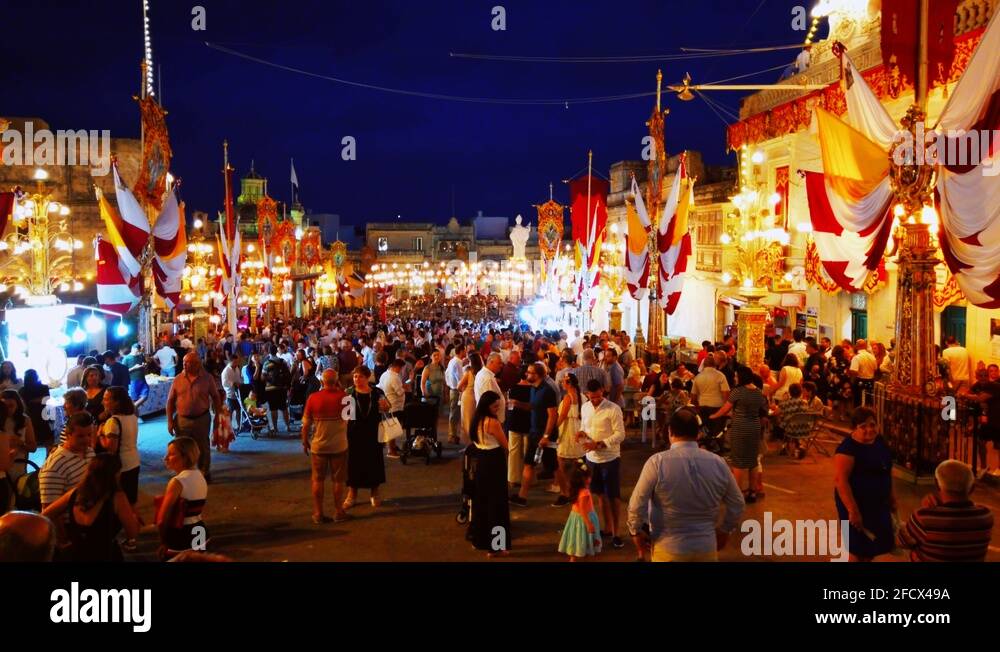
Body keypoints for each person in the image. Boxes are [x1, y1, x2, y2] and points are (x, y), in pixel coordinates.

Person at [628, 407, 745, 562]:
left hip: (668, 548)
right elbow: (737, 503)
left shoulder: (656, 463)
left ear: (669, 432)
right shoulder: (718, 462)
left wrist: (635, 531)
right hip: (706, 547)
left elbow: (637, 504)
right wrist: (725, 530)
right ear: (698, 434)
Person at [42, 454, 140, 562]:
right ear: (115, 475)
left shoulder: (74, 494)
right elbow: (132, 533)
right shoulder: (117, 498)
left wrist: (60, 539)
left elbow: (46, 515)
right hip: (105, 555)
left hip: (76, 555)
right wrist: (134, 519)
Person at [897, 460, 994, 562]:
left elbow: (900, 542)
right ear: (972, 488)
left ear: (937, 485)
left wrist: (929, 510)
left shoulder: (924, 518)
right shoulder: (985, 516)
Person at [834, 407, 897, 562]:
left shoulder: (880, 441)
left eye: (872, 424)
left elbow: (886, 470)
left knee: (870, 548)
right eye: (863, 426)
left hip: (878, 503)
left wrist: (891, 495)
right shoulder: (847, 450)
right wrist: (853, 511)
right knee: (858, 548)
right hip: (856, 504)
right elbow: (841, 481)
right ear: (855, 428)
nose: (869, 429)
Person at [578, 379, 627, 548]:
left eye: (598, 396)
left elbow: (620, 435)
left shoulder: (613, 409)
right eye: (592, 398)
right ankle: (606, 528)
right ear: (587, 395)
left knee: (613, 496)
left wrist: (598, 444)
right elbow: (585, 427)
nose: (596, 400)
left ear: (603, 392)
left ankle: (616, 532)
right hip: (591, 459)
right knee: (599, 494)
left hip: (610, 458)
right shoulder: (585, 407)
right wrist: (581, 434)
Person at [709, 366, 769, 503]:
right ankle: (752, 491)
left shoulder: (738, 391)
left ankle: (738, 493)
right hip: (754, 428)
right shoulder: (759, 392)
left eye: (736, 376)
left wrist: (713, 416)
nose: (735, 378)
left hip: (740, 428)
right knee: (752, 460)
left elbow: (725, 408)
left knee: (738, 461)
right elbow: (761, 410)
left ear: (742, 377)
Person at [302, 369, 350, 524]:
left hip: (319, 445)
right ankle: (338, 511)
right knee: (338, 480)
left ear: (322, 382)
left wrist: (304, 441)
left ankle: (318, 513)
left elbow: (306, 424)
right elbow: (350, 422)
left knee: (317, 479)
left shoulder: (313, 398)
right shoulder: (346, 398)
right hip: (339, 445)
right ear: (337, 381)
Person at [166, 352, 223, 481]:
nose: (184, 365)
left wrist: (218, 415)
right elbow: (170, 401)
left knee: (202, 447)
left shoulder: (207, 378)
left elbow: (215, 396)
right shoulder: (178, 379)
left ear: (197, 364)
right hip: (182, 420)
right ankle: (183, 474)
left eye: (188, 363)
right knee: (181, 448)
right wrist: (169, 420)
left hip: (201, 419)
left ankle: (204, 473)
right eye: (184, 362)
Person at [467, 391, 511, 557]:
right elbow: (505, 445)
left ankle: (479, 540)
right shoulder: (492, 422)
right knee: (497, 505)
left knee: (481, 502)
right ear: (487, 405)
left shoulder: (476, 420)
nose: (497, 408)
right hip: (494, 461)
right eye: (495, 406)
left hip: (481, 460)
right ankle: (496, 546)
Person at [509, 363, 558, 507]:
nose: (527, 374)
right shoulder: (533, 389)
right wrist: (517, 403)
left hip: (544, 435)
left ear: (538, 375)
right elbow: (532, 407)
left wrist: (547, 436)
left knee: (554, 466)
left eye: (530, 372)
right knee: (529, 463)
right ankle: (522, 497)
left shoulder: (547, 391)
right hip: (534, 432)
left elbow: (552, 415)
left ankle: (567, 493)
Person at [343, 366, 390, 511]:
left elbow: (387, 408)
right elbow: (345, 418)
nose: (357, 379)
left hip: (373, 432)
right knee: (353, 463)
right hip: (354, 433)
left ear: (368, 377)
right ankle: (352, 494)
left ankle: (375, 493)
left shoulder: (377, 392)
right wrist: (343, 436)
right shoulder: (349, 393)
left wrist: (385, 406)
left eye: (361, 376)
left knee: (374, 462)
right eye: (355, 376)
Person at [157, 437, 208, 557]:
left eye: (171, 454)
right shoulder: (200, 475)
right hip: (200, 531)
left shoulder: (177, 482)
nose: (165, 458)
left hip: (182, 535)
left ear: (185, 457)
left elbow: (162, 520)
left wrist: (164, 541)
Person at [39, 412, 96, 514]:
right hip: (70, 524)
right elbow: (49, 511)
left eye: (89, 434)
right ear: (67, 435)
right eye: (80, 436)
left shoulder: (89, 451)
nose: (87, 439)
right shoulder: (55, 466)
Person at [97, 387, 141, 509]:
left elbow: (111, 448)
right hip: (134, 461)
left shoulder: (113, 421)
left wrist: (100, 435)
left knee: (121, 502)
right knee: (132, 500)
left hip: (122, 465)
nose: (102, 402)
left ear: (116, 402)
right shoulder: (132, 416)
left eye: (106, 399)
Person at [557, 462, 602, 561]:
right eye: (589, 477)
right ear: (584, 479)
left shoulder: (574, 489)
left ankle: (574, 557)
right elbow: (582, 509)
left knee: (576, 538)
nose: (591, 478)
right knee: (583, 538)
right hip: (584, 519)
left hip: (575, 518)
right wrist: (588, 523)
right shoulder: (584, 493)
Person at [553, 372, 584, 507]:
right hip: (577, 428)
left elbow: (562, 417)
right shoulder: (582, 396)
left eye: (563, 382)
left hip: (568, 431)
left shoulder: (568, 397)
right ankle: (578, 490)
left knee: (561, 461)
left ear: (569, 383)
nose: (561, 384)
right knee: (577, 462)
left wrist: (553, 430)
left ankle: (565, 491)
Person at [691, 356, 730, 438]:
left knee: (705, 429)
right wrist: (725, 407)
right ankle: (717, 446)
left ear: (704, 365)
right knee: (718, 431)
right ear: (715, 364)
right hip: (717, 407)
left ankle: (706, 444)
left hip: (702, 406)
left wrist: (697, 406)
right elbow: (726, 393)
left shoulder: (698, 377)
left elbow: (693, 397)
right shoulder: (720, 376)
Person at [377, 359, 407, 458]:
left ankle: (393, 446)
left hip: (387, 404)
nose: (401, 370)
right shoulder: (394, 377)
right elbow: (400, 392)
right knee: (392, 429)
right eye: (401, 368)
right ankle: (391, 451)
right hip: (394, 405)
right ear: (397, 367)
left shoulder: (384, 374)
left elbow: (380, 388)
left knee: (391, 427)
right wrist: (405, 387)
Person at [261, 346, 293, 434]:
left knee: (273, 408)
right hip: (282, 388)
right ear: (276, 351)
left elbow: (263, 377)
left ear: (269, 352)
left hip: (271, 389)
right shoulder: (283, 361)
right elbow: (288, 374)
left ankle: (275, 428)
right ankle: (287, 426)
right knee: (284, 408)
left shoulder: (266, 363)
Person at [457, 352, 482, 445]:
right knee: (475, 421)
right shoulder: (480, 372)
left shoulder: (469, 373)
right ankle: (475, 443)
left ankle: (469, 445)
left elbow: (458, 386)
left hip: (468, 397)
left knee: (467, 421)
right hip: (477, 397)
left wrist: (463, 389)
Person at [445, 344, 466, 445]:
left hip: (452, 389)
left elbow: (447, 374)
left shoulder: (452, 360)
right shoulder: (458, 361)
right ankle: (451, 435)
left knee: (454, 413)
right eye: (464, 351)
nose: (465, 353)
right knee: (454, 413)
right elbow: (460, 377)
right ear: (461, 351)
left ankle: (453, 434)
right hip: (456, 390)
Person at [122, 344, 149, 416]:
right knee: (134, 399)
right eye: (137, 351)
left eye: (139, 351)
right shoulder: (126, 358)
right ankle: (135, 416)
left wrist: (145, 365)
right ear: (132, 349)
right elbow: (123, 371)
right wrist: (134, 368)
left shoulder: (140, 356)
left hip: (142, 379)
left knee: (145, 395)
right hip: (132, 380)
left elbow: (145, 365)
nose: (138, 353)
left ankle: (131, 410)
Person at [848, 340, 878, 406]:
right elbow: (875, 369)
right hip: (870, 381)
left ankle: (859, 415)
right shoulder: (872, 357)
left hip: (860, 381)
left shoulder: (857, 357)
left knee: (858, 402)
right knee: (868, 401)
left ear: (857, 346)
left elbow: (853, 371)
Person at [221, 355, 243, 433]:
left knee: (238, 410)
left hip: (238, 393)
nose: (236, 363)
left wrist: (240, 383)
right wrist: (233, 383)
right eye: (235, 362)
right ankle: (229, 428)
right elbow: (224, 383)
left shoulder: (237, 368)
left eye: (237, 361)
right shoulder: (226, 371)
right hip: (230, 394)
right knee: (230, 412)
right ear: (230, 361)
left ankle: (239, 426)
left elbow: (239, 378)